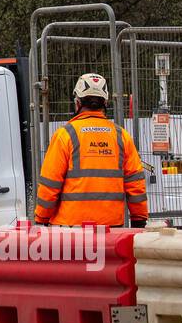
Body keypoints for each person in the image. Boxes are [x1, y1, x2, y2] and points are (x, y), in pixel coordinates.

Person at [33, 72, 148, 228]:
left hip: (71, 229)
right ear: (105, 103)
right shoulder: (121, 136)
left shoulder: (65, 135)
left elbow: (50, 184)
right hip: (111, 228)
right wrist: (138, 219)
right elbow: (135, 183)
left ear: (77, 102)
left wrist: (41, 218)